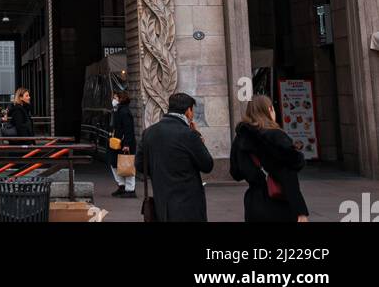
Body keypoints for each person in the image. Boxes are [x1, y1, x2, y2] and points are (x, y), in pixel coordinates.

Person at [229, 94, 309, 223]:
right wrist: (301, 211)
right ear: (270, 110)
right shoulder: (276, 136)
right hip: (278, 203)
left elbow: (236, 173)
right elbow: (289, 177)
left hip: (253, 202)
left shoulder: (240, 139)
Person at [136, 91, 214, 222]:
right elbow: (207, 165)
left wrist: (160, 173)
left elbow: (139, 164)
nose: (192, 115)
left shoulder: (148, 133)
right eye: (192, 111)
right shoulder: (189, 135)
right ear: (188, 111)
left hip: (162, 203)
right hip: (188, 206)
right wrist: (199, 140)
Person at [109, 91, 136, 198]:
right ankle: (121, 185)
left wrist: (127, 144)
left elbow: (128, 129)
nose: (113, 100)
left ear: (120, 99)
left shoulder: (124, 112)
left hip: (125, 143)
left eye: (115, 97)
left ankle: (130, 189)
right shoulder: (117, 110)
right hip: (116, 142)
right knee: (114, 163)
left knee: (127, 165)